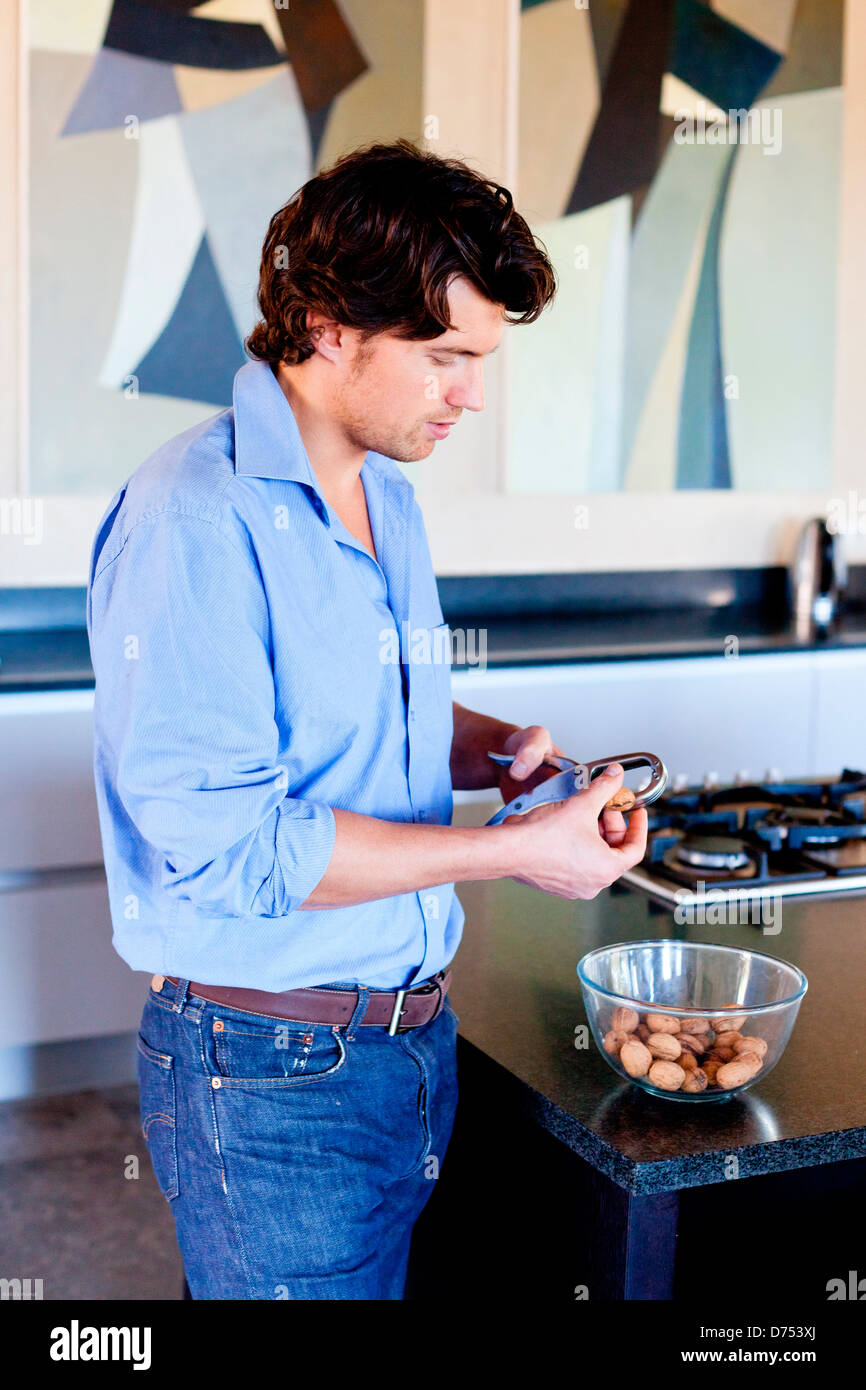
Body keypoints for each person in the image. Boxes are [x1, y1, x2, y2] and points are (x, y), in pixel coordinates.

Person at [86, 139, 647, 1300]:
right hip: (266, 1074)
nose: (471, 394)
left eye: (479, 360)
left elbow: (370, 709)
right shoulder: (196, 519)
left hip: (406, 1048)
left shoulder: (383, 491)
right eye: (444, 356)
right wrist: (511, 855)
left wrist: (492, 751)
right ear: (330, 323)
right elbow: (235, 839)